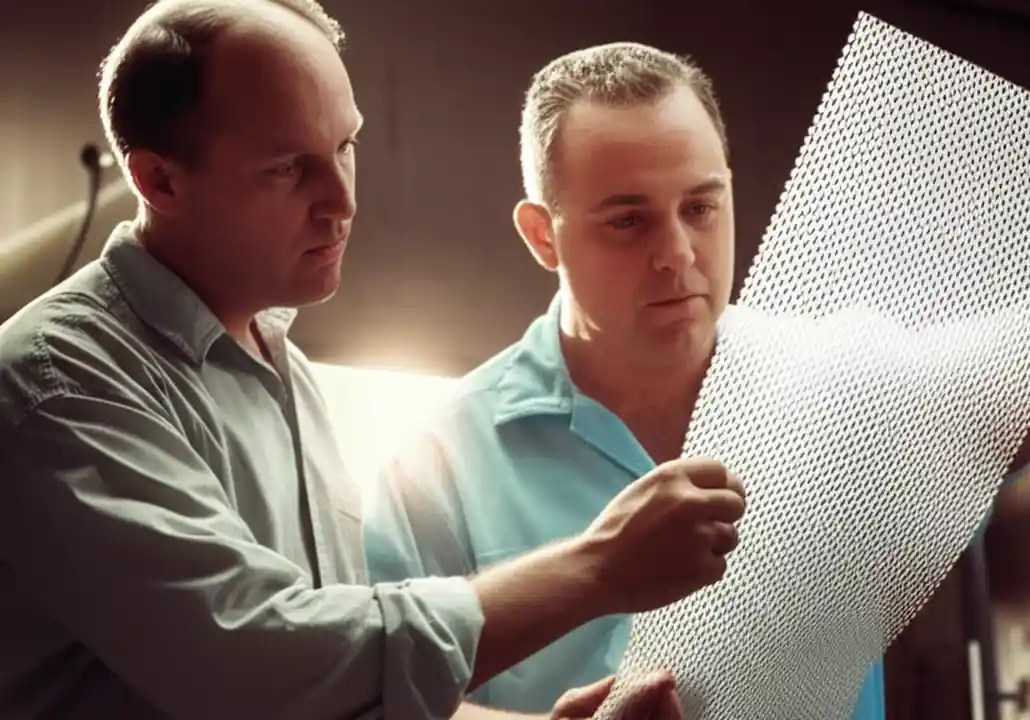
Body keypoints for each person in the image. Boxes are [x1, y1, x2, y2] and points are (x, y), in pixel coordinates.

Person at [362, 42, 1030, 716]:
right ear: (544, 235)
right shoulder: (437, 461)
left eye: (701, 205)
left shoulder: (841, 384)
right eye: (628, 219)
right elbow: (382, 697)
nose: (678, 253)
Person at [0, 5, 747, 718]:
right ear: (159, 180)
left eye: (346, 147)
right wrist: (598, 567)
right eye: (290, 168)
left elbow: (352, 699)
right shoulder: (57, 386)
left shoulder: (281, 375)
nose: (342, 201)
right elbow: (269, 670)